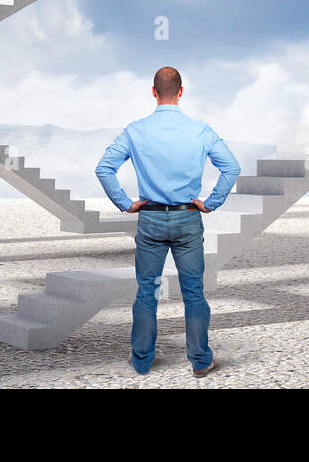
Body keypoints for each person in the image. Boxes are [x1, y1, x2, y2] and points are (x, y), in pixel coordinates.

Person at [95, 66, 240, 377]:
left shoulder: (135, 130)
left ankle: (143, 360)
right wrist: (210, 203)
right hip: (188, 218)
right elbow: (232, 168)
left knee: (146, 291)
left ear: (153, 92)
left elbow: (104, 168)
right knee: (194, 292)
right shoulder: (201, 131)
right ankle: (200, 361)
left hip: (149, 219)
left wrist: (125, 203)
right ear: (182, 91)